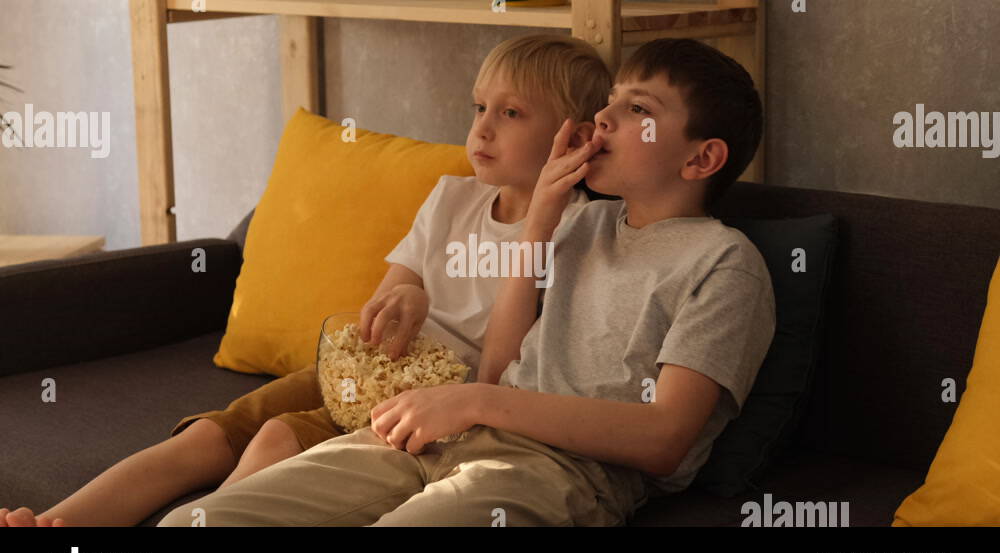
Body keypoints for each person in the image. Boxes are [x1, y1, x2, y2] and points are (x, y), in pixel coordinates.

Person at [154, 37, 777, 527]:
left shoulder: (724, 263)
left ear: (702, 159)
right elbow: (500, 365)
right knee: (196, 521)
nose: (604, 118)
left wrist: (476, 403)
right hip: (448, 436)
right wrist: (538, 225)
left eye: (637, 109)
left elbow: (665, 438)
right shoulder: (580, 226)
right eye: (610, 100)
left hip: (558, 473)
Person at [1, 33, 609, 527]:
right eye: (480, 107)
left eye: (511, 113)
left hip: (427, 406)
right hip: (365, 365)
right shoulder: (453, 198)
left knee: (271, 439)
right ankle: (56, 524)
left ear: (576, 138)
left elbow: (511, 370)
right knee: (208, 437)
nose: (481, 129)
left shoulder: (579, 231)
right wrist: (408, 294)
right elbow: (387, 297)